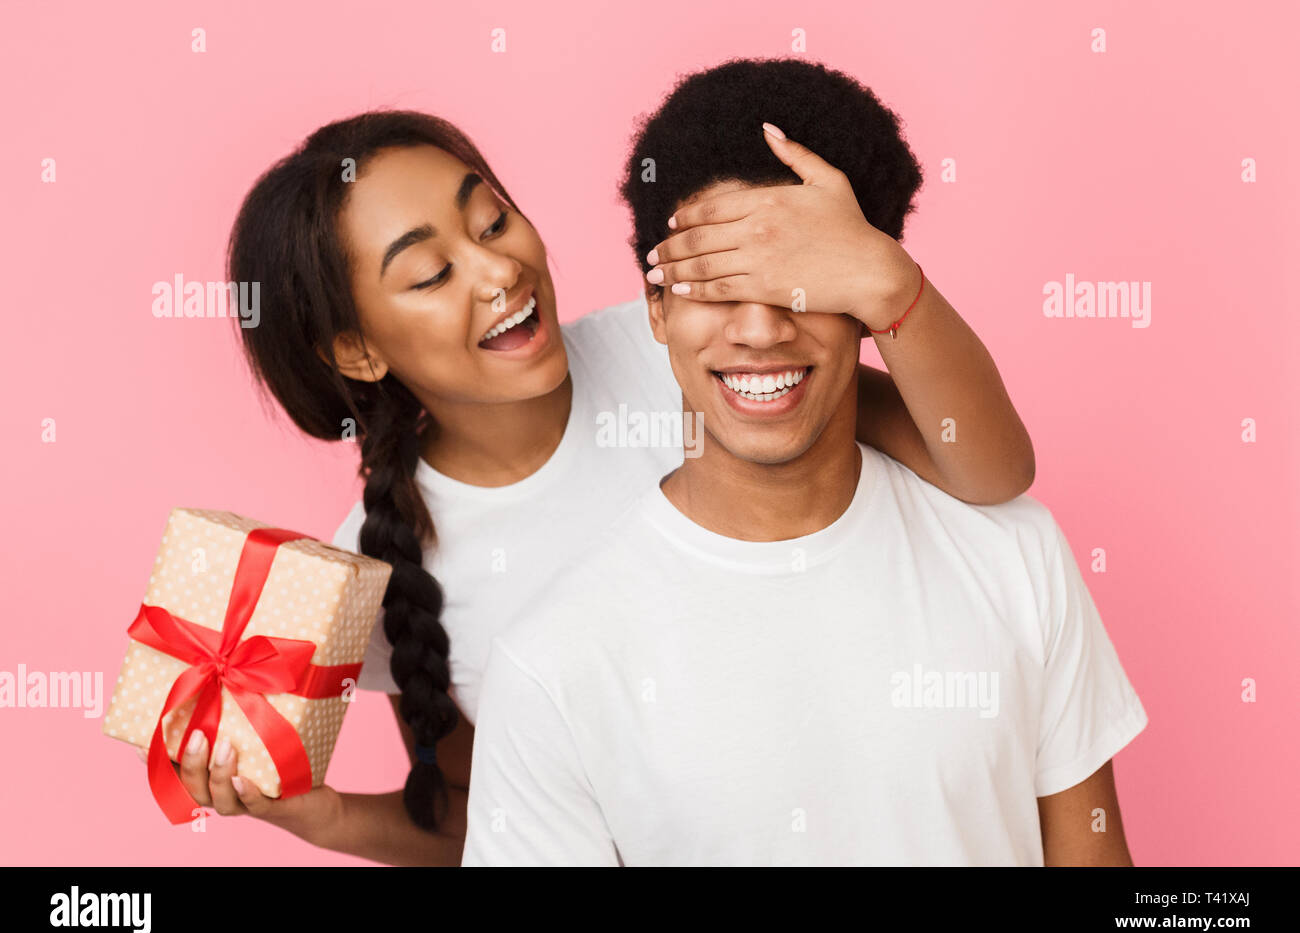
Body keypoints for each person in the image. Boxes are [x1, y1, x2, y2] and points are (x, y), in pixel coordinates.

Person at [162, 67, 1034, 865]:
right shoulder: (378, 569)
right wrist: (324, 819)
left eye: (493, 220)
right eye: (432, 273)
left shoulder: (685, 347)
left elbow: (984, 467)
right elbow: (488, 819)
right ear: (355, 350)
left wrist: (889, 283)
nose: (498, 268)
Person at [460, 58, 1147, 866]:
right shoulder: (553, 666)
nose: (760, 330)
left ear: (867, 301)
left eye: (802, 285)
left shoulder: (1013, 553)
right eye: (717, 285)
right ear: (657, 307)